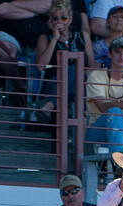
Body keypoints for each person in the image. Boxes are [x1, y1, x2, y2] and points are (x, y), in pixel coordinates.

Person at [33, 0, 91, 128]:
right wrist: (54, 39)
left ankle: (50, 104)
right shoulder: (45, 38)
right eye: (55, 18)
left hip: (78, 86)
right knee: (73, 70)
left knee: (75, 70)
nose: (59, 22)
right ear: (50, 20)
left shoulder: (82, 36)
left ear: (70, 19)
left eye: (63, 18)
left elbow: (90, 65)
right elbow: (40, 66)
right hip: (53, 82)